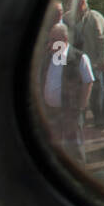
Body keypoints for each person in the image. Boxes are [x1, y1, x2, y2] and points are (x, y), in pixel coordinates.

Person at [40, 22, 94, 162]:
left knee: (74, 145)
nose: (50, 43)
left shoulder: (78, 57)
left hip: (71, 110)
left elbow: (88, 82)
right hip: (51, 110)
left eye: (53, 40)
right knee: (54, 145)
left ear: (64, 40)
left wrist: (81, 107)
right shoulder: (49, 57)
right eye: (49, 39)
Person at [64, 0, 104, 129]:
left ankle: (101, 124)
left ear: (82, 3)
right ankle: (80, 124)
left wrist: (103, 59)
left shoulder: (95, 17)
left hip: (93, 64)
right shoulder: (66, 18)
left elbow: (103, 40)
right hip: (74, 64)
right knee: (77, 95)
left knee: (97, 96)